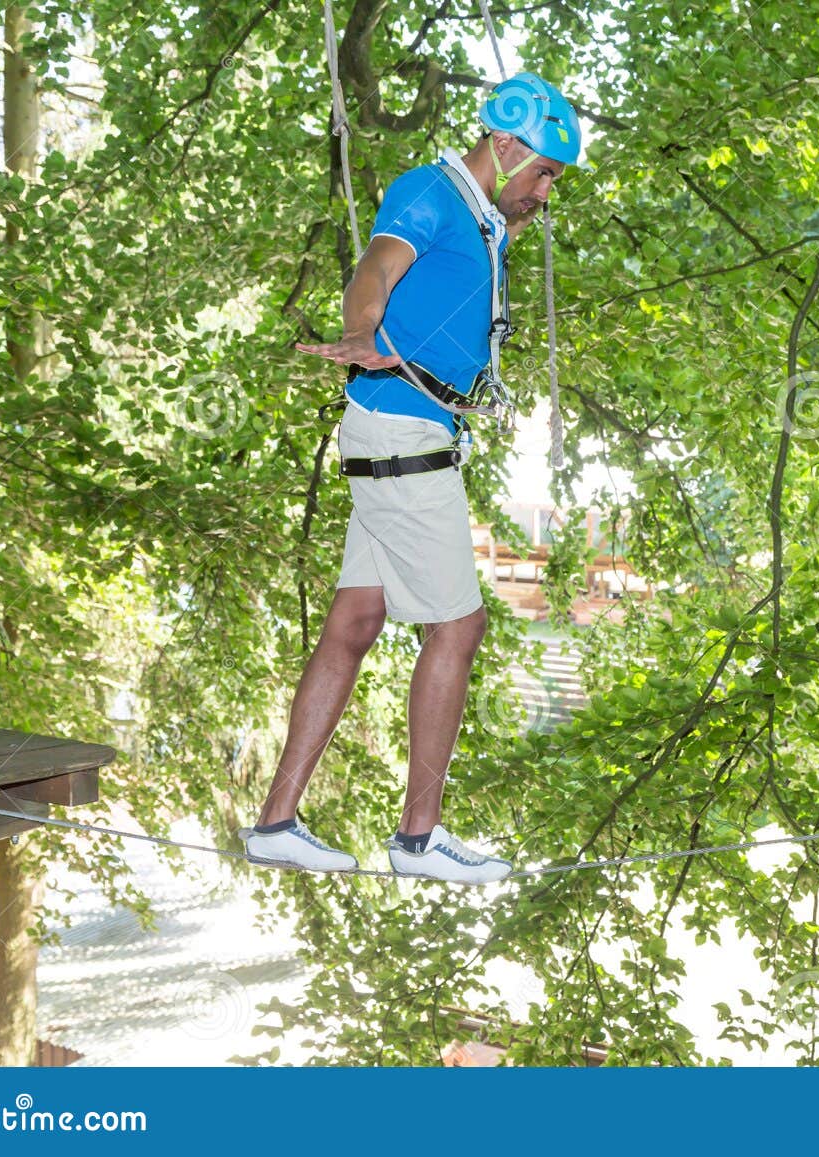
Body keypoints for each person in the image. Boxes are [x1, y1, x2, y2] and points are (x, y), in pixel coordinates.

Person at [240, 73, 581, 884]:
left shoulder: (479, 219)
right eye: (542, 175)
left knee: (355, 622)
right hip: (403, 436)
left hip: (398, 435)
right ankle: (419, 840)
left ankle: (275, 822)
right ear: (504, 147)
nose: (543, 194)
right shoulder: (430, 192)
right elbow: (375, 268)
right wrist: (360, 331)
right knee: (458, 628)